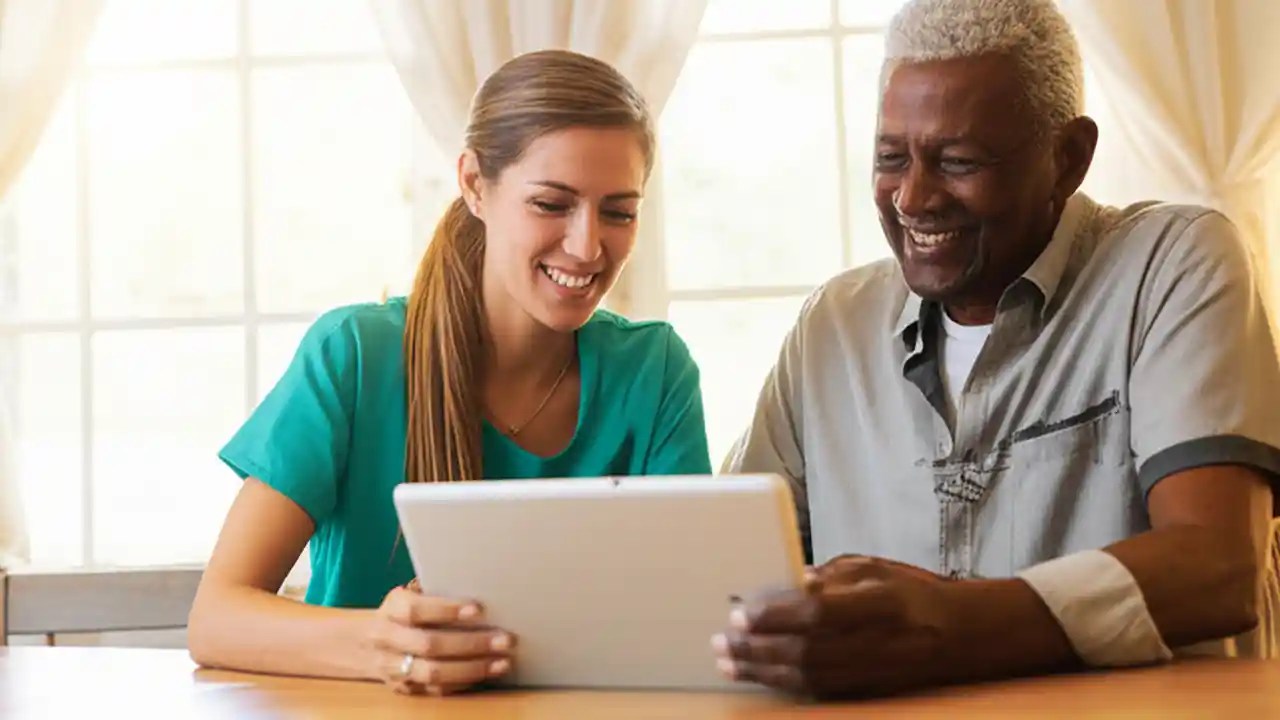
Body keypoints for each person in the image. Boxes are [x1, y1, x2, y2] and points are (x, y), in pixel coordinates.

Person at [713, 0, 1280, 700]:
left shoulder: (1172, 265)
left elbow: (1218, 569)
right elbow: (723, 568)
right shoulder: (832, 325)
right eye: (891, 158)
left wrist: (949, 625)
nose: (914, 197)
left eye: (958, 161)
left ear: (1068, 158)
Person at [188, 49, 711, 696]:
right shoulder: (354, 355)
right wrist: (381, 645)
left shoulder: (655, 372)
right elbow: (216, 619)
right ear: (473, 185)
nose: (587, 246)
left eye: (618, 212)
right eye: (551, 203)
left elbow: (687, 616)